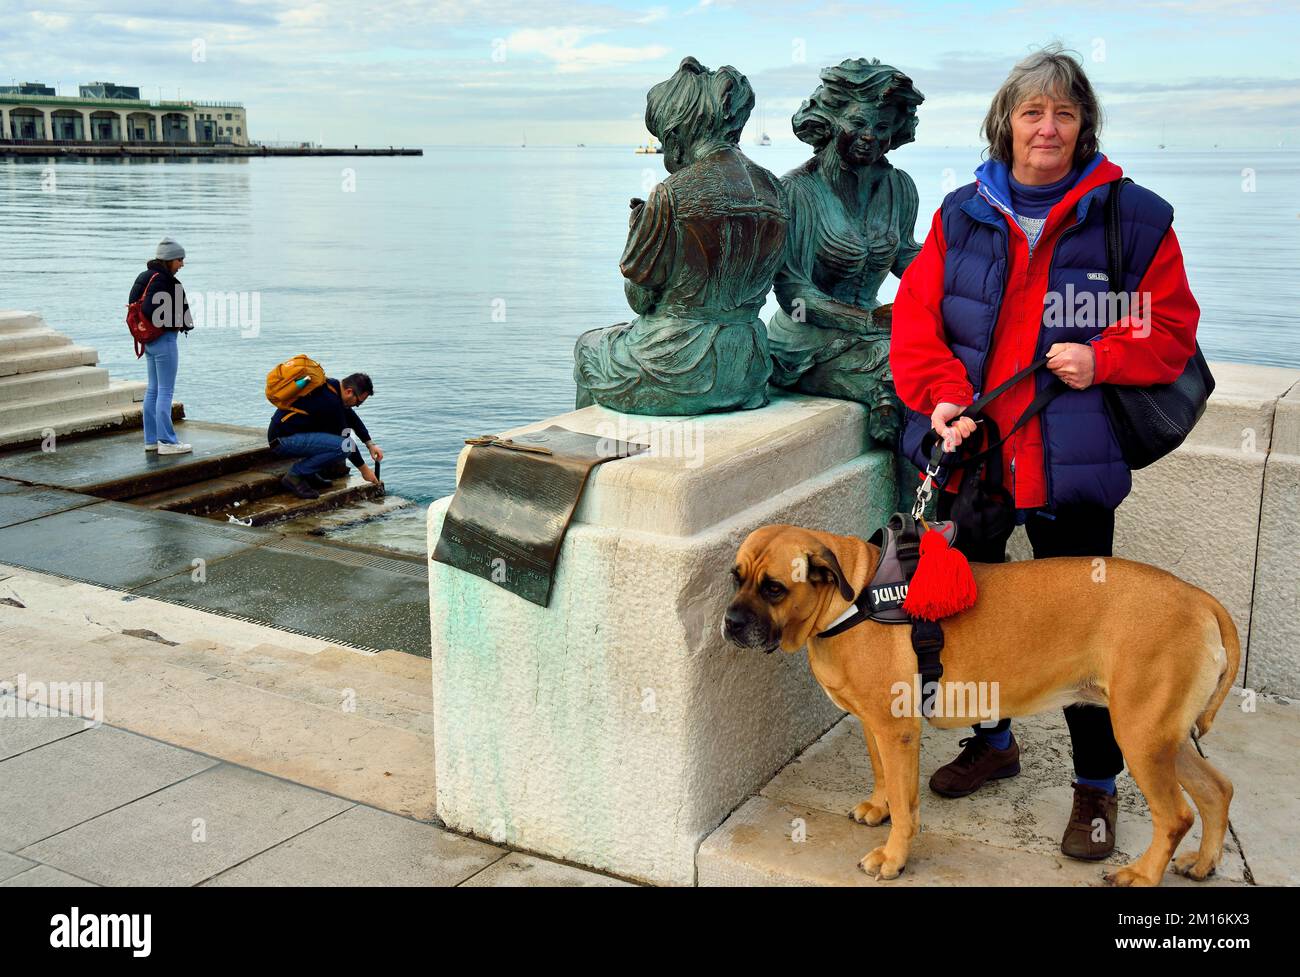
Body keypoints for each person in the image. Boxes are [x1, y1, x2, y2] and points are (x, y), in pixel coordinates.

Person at [890, 43, 1200, 860]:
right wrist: (943, 397)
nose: (1048, 127)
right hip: (976, 458)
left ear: (1084, 124)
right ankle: (993, 741)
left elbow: (1169, 330)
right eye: (1033, 112)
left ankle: (1096, 791)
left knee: (1092, 637)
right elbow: (916, 321)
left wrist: (1104, 357)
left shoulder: (1132, 218)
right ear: (1006, 123)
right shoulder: (961, 212)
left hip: (1074, 465)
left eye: (1065, 113)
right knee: (966, 617)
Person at [267, 372, 383, 499]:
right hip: (283, 441)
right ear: (349, 391)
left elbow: (351, 417)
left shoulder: (332, 386)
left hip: (289, 434)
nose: (356, 406)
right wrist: (364, 470)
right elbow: (346, 441)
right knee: (343, 447)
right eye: (358, 402)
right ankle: (295, 476)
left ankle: (309, 473)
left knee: (333, 440)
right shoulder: (330, 402)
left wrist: (369, 444)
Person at [129, 236, 194, 454]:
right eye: (179, 260)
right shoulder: (165, 281)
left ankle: (151, 440)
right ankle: (167, 441)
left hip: (147, 341)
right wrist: (174, 323)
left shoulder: (144, 276)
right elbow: (152, 309)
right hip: (164, 340)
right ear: (169, 260)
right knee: (165, 391)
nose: (182, 264)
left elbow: (135, 304)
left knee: (153, 390)